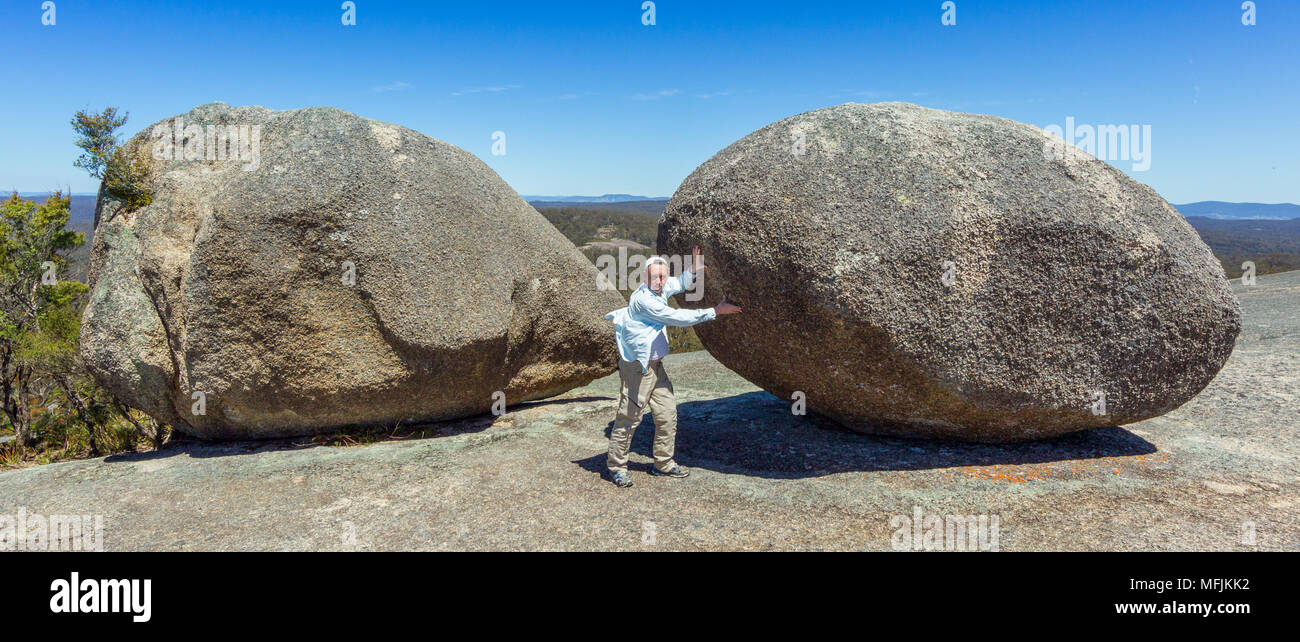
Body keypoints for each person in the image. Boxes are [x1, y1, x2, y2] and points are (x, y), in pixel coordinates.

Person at [602, 246, 741, 488]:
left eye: (662, 276)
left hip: (656, 367)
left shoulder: (661, 287)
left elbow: (678, 284)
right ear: (645, 277)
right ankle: (617, 467)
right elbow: (677, 318)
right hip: (639, 368)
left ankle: (663, 464)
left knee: (667, 414)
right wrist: (716, 311)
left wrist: (693, 271)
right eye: (654, 276)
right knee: (629, 417)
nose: (659, 281)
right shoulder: (644, 300)